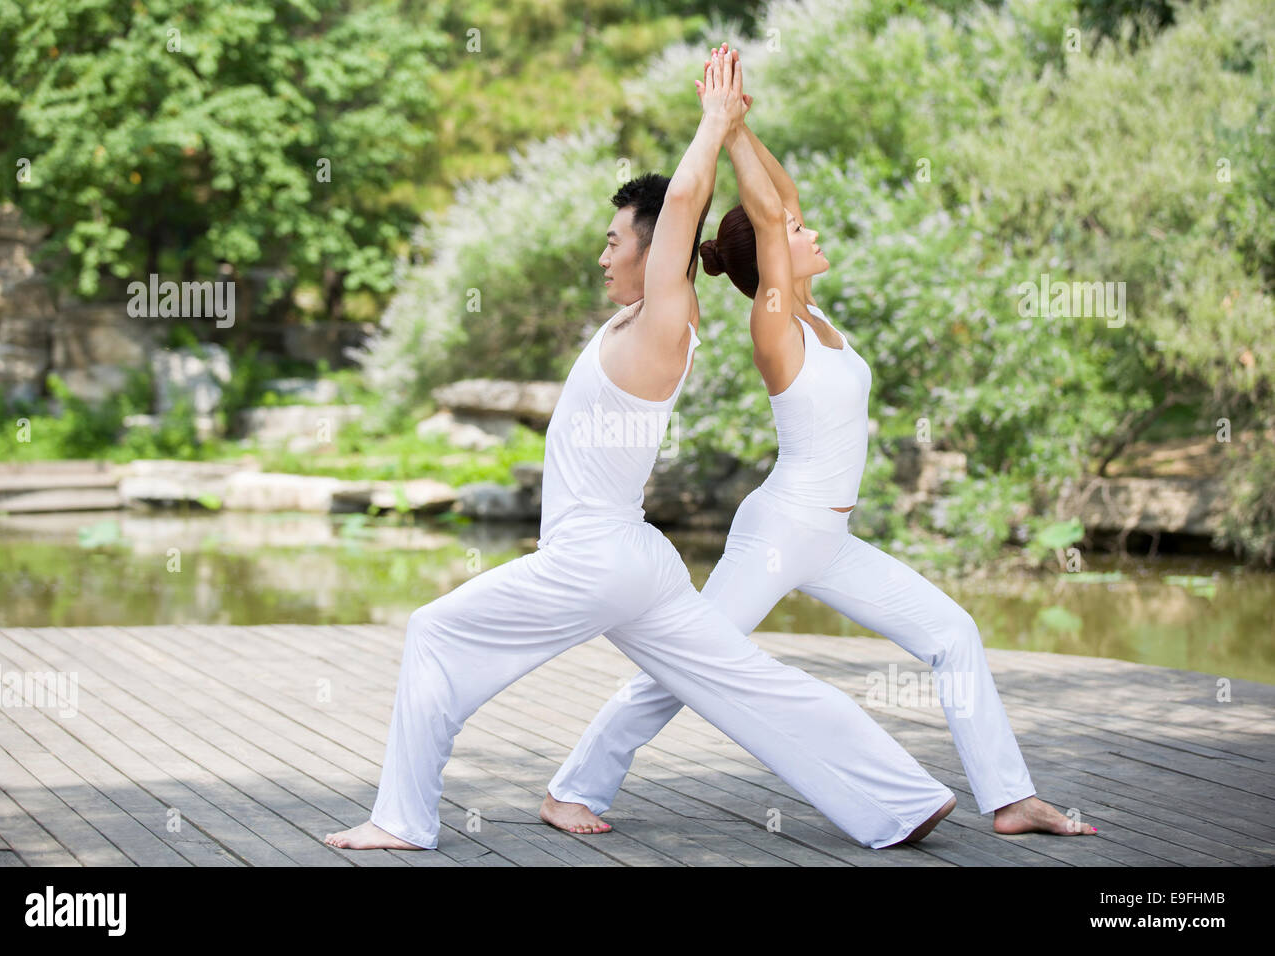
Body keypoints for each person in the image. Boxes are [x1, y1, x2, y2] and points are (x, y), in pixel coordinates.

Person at [324, 45, 956, 853]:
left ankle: (402, 821)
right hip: (636, 565)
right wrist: (726, 130)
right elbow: (699, 211)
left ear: (656, 249)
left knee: (435, 634)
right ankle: (902, 800)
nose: (602, 255)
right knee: (750, 683)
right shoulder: (634, 319)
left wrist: (716, 125)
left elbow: (687, 200)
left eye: (613, 240)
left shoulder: (666, 314)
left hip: (591, 560)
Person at [542, 47, 1098, 840]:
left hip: (829, 535)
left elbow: (782, 200)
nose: (806, 227)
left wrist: (747, 123)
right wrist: (724, 132)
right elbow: (771, 216)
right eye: (794, 233)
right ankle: (575, 787)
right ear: (768, 261)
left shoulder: (812, 313)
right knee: (690, 666)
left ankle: (1010, 799)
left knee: (953, 634)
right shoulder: (774, 321)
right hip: (779, 534)